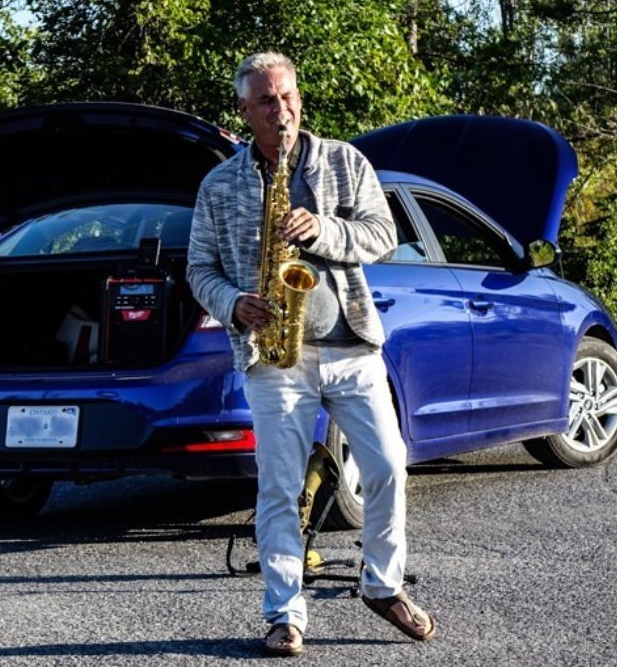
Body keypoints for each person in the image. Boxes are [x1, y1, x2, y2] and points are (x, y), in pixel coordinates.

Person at [187, 52, 437, 657]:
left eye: (289, 97)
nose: (282, 111)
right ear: (244, 109)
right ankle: (285, 614)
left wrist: (323, 229)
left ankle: (382, 585)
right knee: (279, 488)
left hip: (352, 347)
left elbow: (383, 237)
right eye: (266, 101)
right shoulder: (219, 185)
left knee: (387, 467)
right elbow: (199, 269)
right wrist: (232, 303)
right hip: (275, 357)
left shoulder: (345, 161)